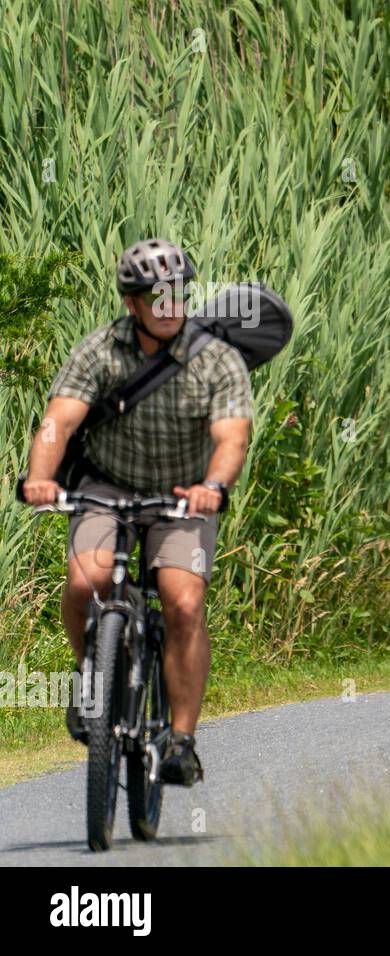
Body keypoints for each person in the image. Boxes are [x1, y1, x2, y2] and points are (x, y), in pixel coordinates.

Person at [22, 238, 253, 785]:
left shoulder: (215, 358)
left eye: (177, 294)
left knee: (183, 600)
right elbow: (60, 421)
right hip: (108, 486)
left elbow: (232, 436)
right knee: (87, 582)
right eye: (157, 297)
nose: (170, 305)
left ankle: (180, 739)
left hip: (185, 495)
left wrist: (213, 485)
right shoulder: (99, 350)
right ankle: (91, 680)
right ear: (133, 304)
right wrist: (40, 477)